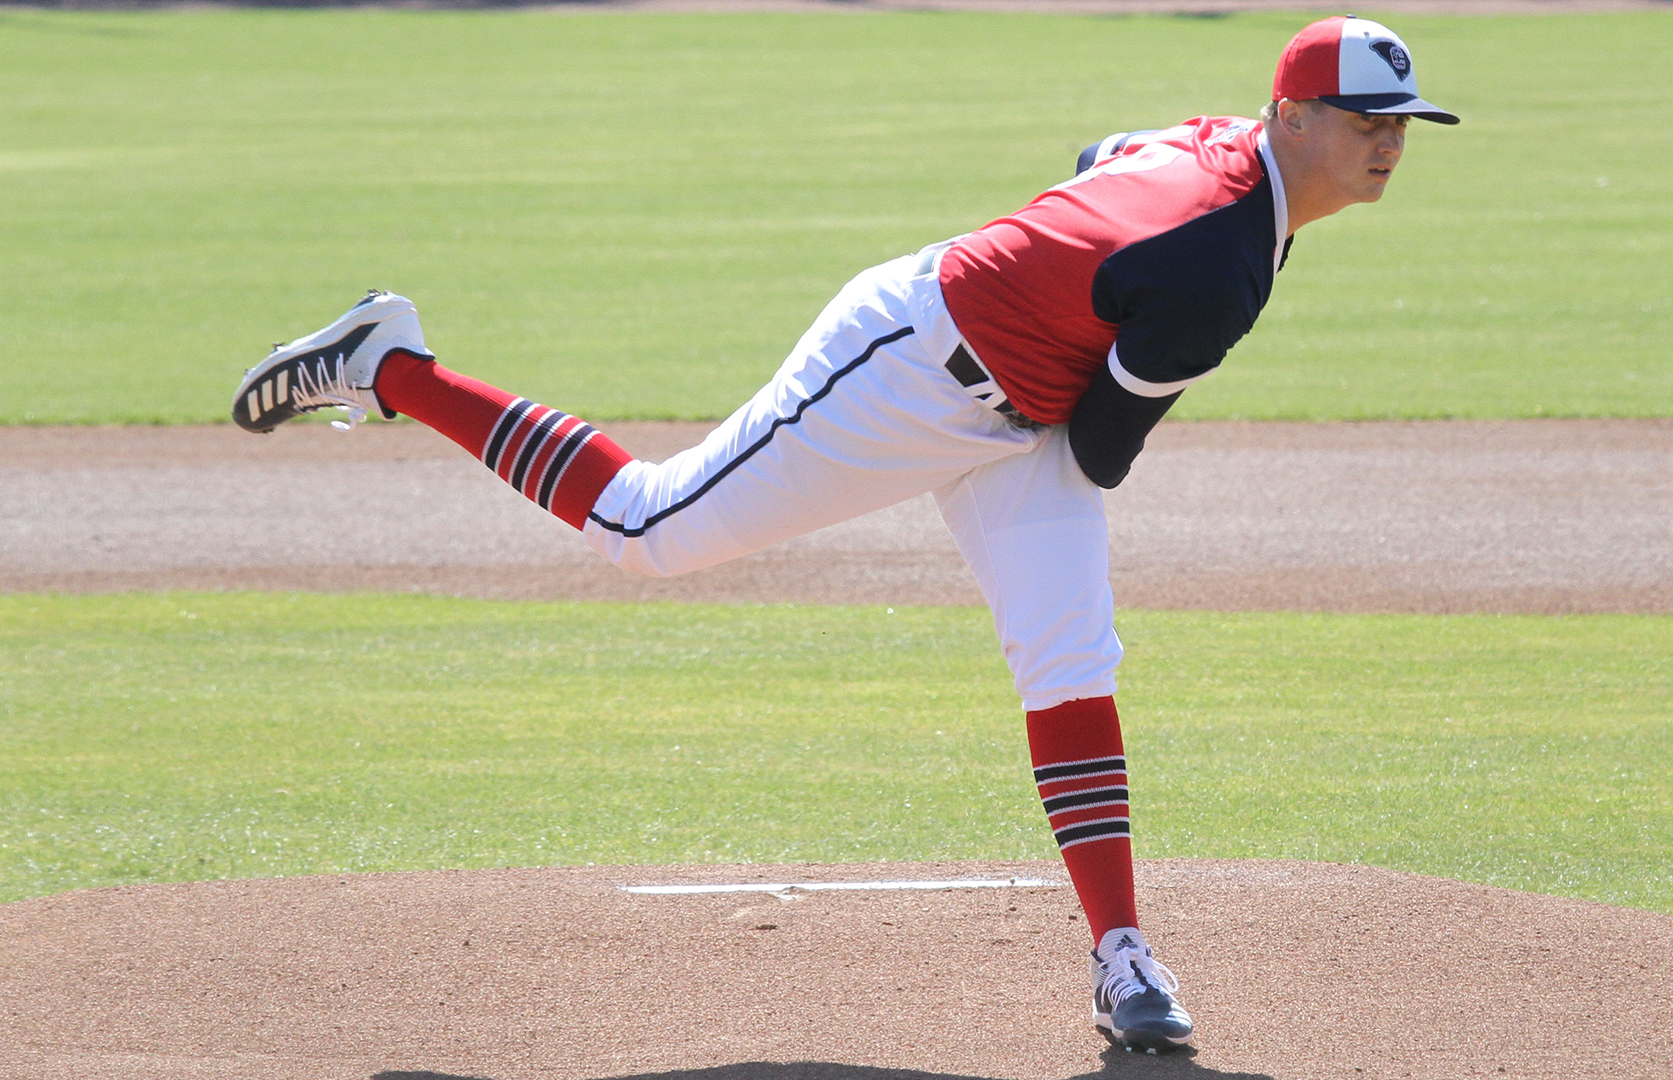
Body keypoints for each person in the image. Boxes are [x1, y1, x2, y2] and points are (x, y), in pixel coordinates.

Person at [227, 15, 1455, 1054]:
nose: (1389, 142)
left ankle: (1123, 958)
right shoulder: (1219, 267)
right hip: (908, 369)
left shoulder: (1219, 147)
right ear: (1289, 117)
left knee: (1071, 657)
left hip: (1017, 400)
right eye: (1365, 119)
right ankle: (390, 363)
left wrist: (1063, 284)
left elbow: (1105, 158)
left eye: (1402, 122)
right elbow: (1098, 449)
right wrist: (1065, 300)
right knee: (647, 526)